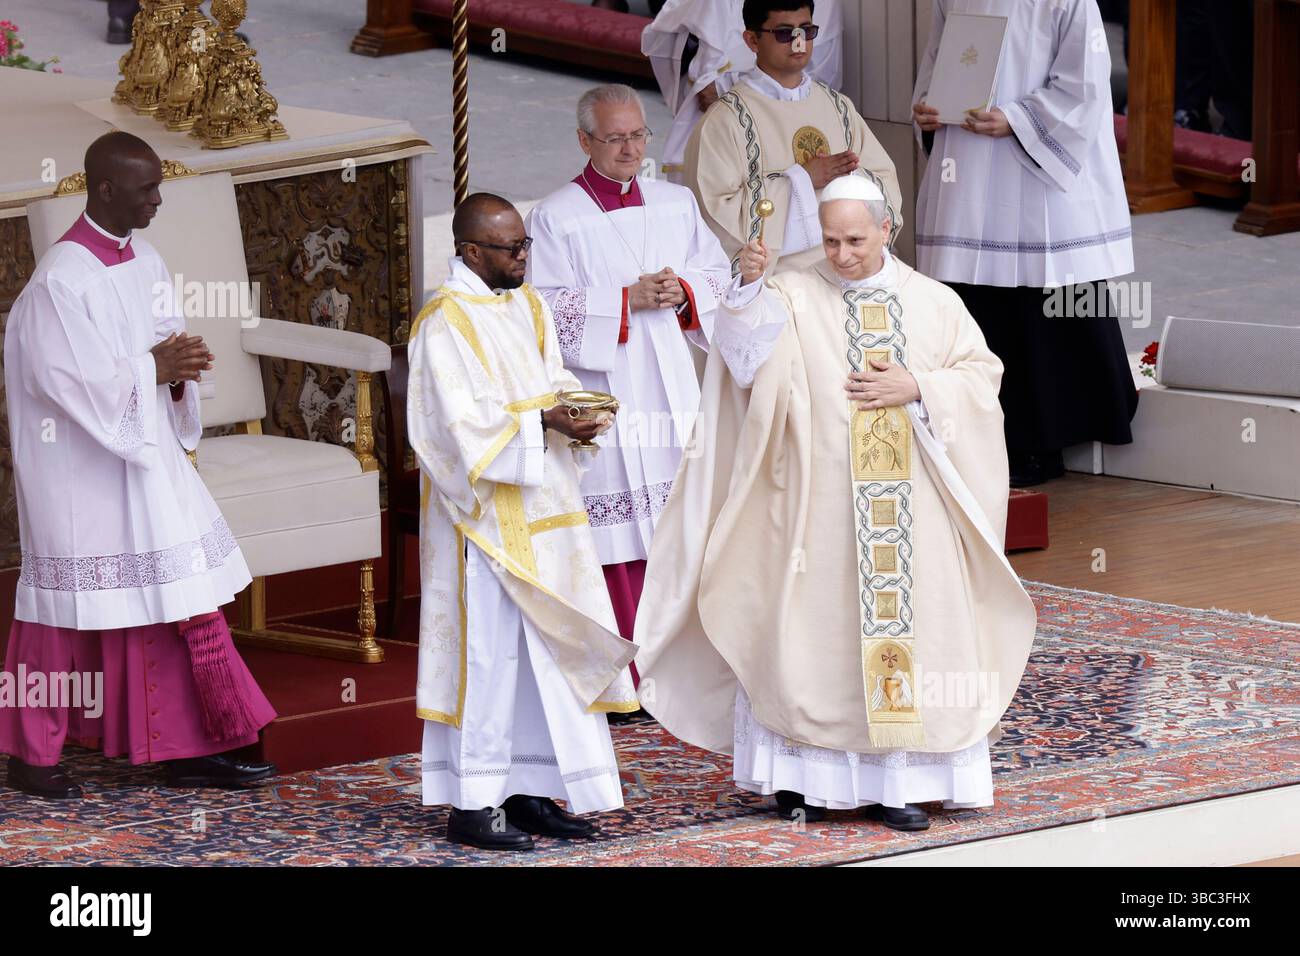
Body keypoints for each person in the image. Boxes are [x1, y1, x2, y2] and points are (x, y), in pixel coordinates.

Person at [634, 176, 1037, 831]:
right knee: (809, 643)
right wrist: (744, 291)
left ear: (886, 230)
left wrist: (920, 387)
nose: (842, 254)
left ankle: (898, 784)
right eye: (829, 240)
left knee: (912, 638)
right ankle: (805, 781)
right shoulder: (791, 292)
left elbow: (980, 382)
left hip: (913, 516)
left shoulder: (933, 303)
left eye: (855, 239)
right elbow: (741, 361)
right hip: (814, 513)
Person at [1, 131, 276, 799]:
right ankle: (28, 755)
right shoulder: (60, 282)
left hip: (145, 457)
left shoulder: (144, 257)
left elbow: (164, 343)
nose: (158, 199)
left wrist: (180, 374)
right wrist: (153, 368)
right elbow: (64, 380)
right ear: (105, 189)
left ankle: (183, 747)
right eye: (146, 187)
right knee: (59, 611)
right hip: (80, 473)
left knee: (164, 599)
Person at [409, 193, 640, 851]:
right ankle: (475, 801)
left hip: (546, 508)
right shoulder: (444, 323)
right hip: (482, 521)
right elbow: (452, 428)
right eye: (511, 249)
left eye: (525, 245)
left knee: (546, 655)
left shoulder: (528, 305)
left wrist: (579, 409)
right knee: (490, 656)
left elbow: (552, 379)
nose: (523, 258)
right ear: (471, 251)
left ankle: (531, 788)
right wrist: (541, 421)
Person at [526, 85, 731, 682]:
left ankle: (688, 668)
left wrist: (685, 291)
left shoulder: (676, 201)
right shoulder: (556, 216)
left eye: (638, 134)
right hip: (607, 388)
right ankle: (626, 676)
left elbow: (715, 272)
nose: (630, 148)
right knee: (615, 530)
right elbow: (542, 312)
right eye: (614, 138)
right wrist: (622, 301)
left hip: (671, 380)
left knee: (681, 512)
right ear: (584, 140)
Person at [911, 0, 1137, 486]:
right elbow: (938, 60)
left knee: (1044, 301)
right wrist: (929, 106)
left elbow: (1086, 81)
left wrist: (1016, 118)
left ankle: (1042, 440)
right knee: (977, 301)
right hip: (967, 164)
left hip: (1036, 173)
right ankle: (971, 435)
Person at [684, 0, 901, 276]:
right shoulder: (726, 120)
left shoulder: (838, 107)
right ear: (752, 40)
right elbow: (715, 211)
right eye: (785, 33)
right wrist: (801, 181)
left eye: (806, 31)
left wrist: (848, 183)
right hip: (777, 286)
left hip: (845, 275)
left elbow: (882, 178)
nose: (799, 43)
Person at [642, 0, 843, 181]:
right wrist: (703, 78)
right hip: (720, 95)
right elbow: (666, 29)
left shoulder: (839, 108)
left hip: (792, 102)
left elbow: (823, 68)